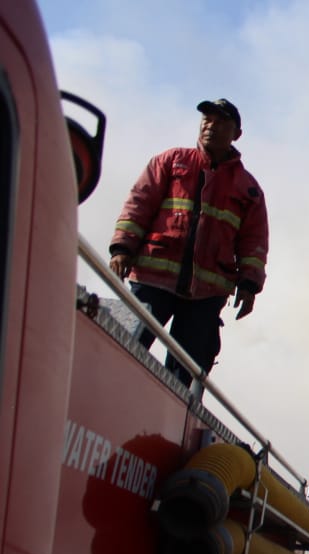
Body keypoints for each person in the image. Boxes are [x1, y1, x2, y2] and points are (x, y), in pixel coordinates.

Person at [109, 98, 267, 387]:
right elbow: (138, 205)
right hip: (153, 279)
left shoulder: (249, 189)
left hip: (206, 295)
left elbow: (254, 241)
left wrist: (249, 284)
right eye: (207, 120)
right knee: (123, 348)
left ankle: (166, 415)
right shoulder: (170, 161)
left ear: (237, 134)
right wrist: (122, 248)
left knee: (185, 377)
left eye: (221, 122)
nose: (210, 126)